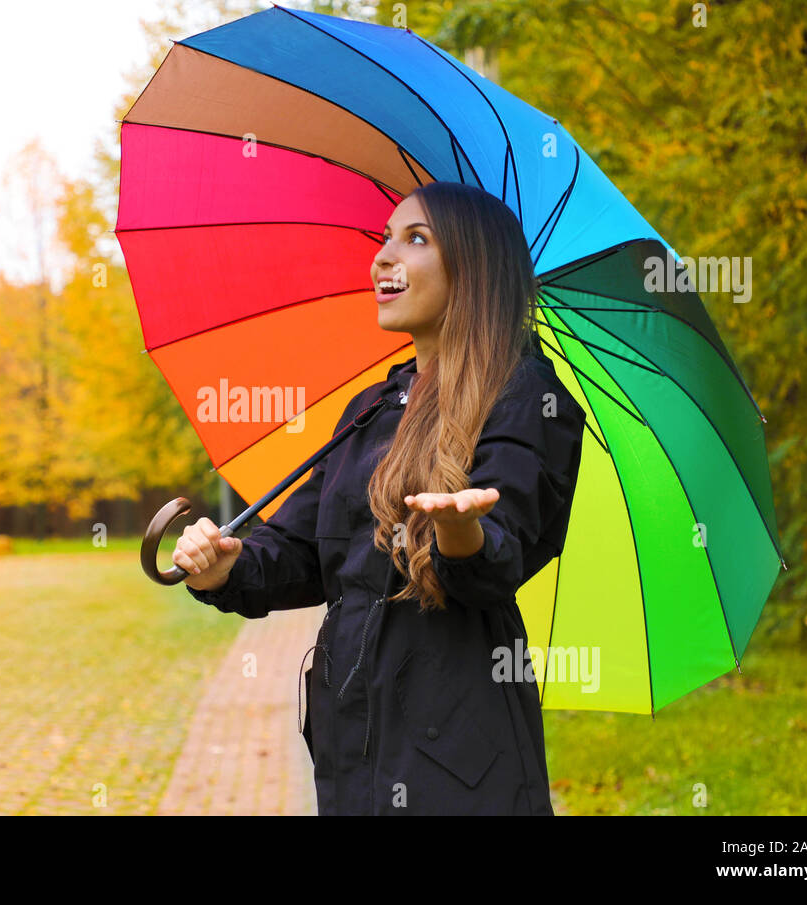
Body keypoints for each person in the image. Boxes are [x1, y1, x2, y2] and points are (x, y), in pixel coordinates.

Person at [171, 182, 586, 816]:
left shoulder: (525, 394)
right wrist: (232, 566)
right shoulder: (370, 410)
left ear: (474, 270)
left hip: (462, 755)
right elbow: (304, 550)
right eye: (385, 239)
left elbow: (498, 557)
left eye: (415, 239)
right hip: (352, 742)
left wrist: (460, 535)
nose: (383, 258)